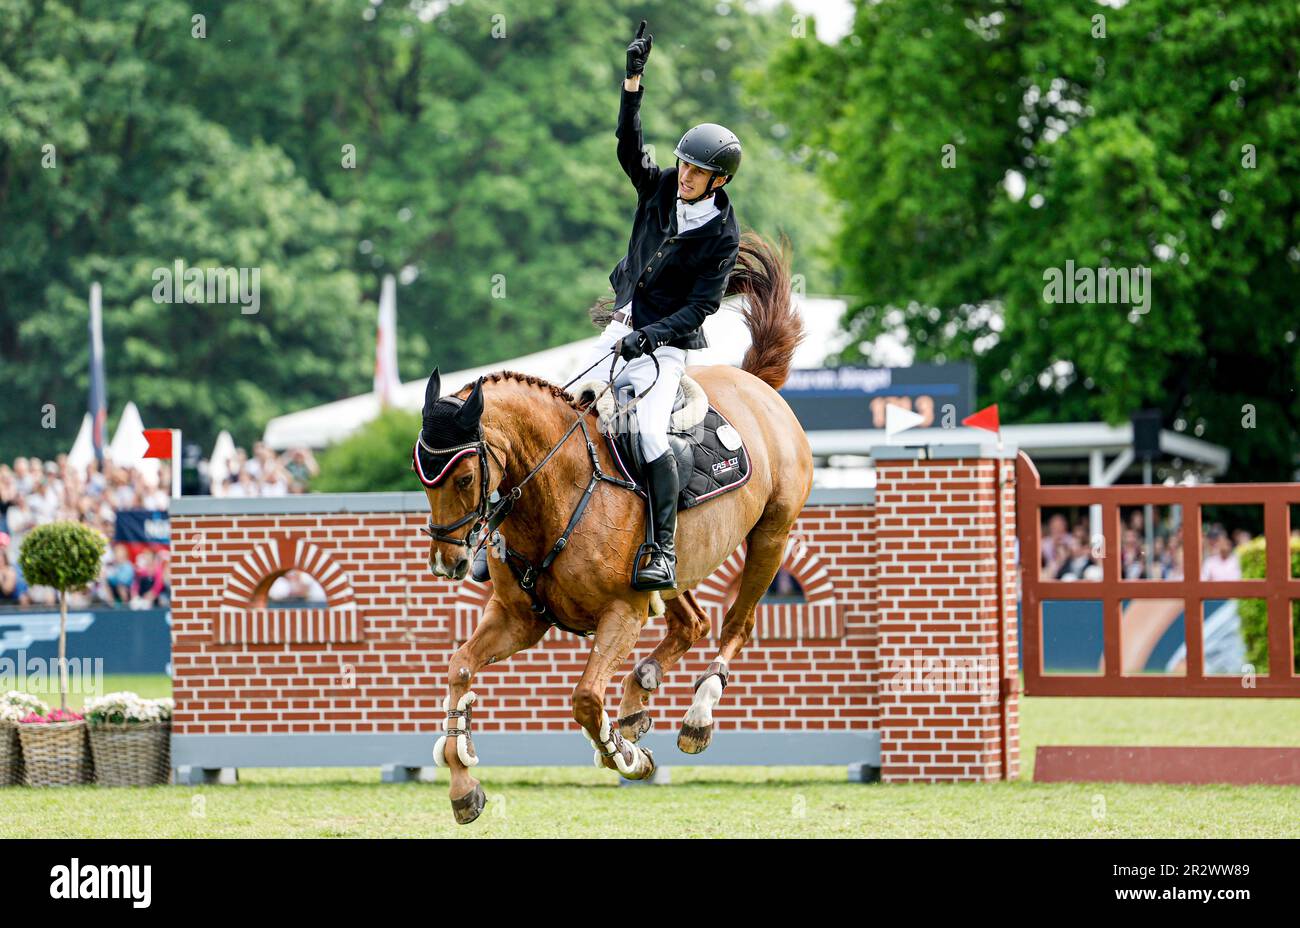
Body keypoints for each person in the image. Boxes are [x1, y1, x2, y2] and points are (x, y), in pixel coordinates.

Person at [517, 19, 743, 592]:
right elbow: (626, 146)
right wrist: (632, 82)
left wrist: (650, 337)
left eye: (697, 171)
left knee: (646, 434)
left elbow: (700, 309)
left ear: (718, 180)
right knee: (563, 418)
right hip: (616, 329)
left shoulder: (721, 236)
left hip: (664, 349)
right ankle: (512, 537)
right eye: (684, 165)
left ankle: (662, 547)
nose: (685, 175)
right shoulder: (662, 186)